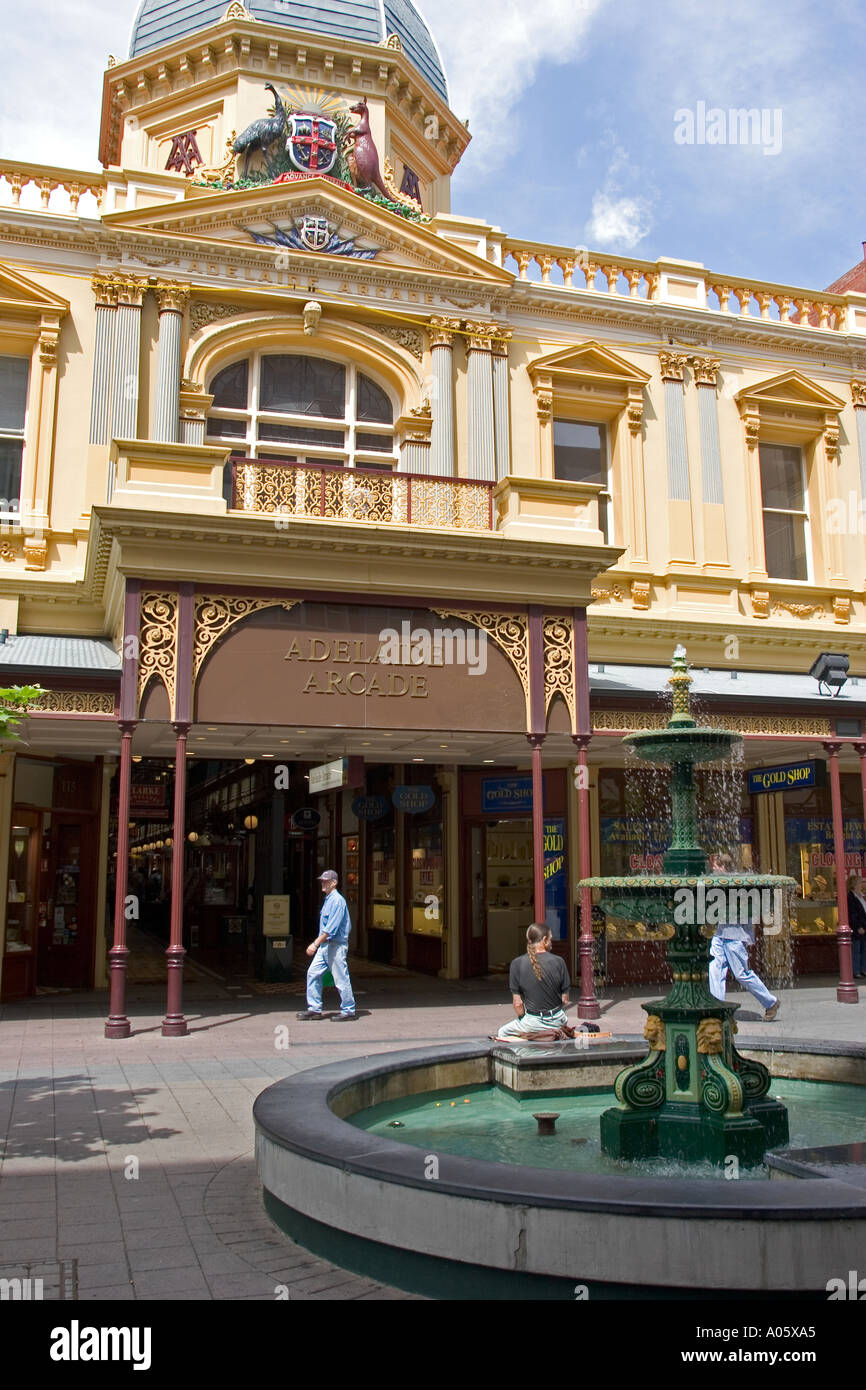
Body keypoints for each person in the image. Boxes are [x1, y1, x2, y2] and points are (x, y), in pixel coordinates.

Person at [707, 852, 780, 1021]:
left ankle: (771, 1002)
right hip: (721, 933)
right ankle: (717, 1007)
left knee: (741, 974)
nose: (713, 869)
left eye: (716, 867)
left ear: (723, 867)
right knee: (715, 968)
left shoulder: (738, 883)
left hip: (735, 935)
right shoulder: (719, 884)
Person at [297, 869, 357, 1021]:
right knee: (313, 973)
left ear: (334, 882)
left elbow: (330, 929)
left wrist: (315, 944)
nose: (323, 883)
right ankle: (314, 1009)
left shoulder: (337, 901)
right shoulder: (328, 899)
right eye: (322, 880)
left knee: (340, 977)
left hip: (335, 945)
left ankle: (348, 1010)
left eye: (326, 881)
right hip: (326, 946)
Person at [496, 923, 574, 1039]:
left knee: (502, 1032)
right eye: (550, 939)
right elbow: (565, 1000)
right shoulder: (559, 961)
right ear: (544, 940)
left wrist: (523, 1018)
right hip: (558, 1021)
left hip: (532, 1022)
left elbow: (518, 1004)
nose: (551, 942)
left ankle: (527, 1044)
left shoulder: (517, 963)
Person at [846, 873, 866, 978]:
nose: (861, 884)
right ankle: (856, 971)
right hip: (857, 927)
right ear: (854, 884)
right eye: (859, 882)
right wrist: (858, 926)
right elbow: (852, 913)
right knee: (856, 949)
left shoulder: (861, 896)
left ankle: (863, 969)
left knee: (864, 949)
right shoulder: (851, 897)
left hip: (864, 925)